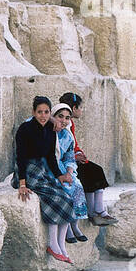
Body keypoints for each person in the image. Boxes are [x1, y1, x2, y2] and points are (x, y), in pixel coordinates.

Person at [15, 96, 77, 264]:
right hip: (28, 172)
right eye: (39, 112)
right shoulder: (25, 129)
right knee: (54, 198)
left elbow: (50, 156)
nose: (43, 115)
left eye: (46, 112)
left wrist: (60, 175)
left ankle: (61, 247)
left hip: (43, 170)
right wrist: (22, 184)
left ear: (50, 113)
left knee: (67, 198)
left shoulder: (50, 128)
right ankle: (52, 244)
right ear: (33, 112)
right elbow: (20, 157)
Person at [58, 93, 116, 225]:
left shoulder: (70, 124)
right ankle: (96, 212)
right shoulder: (62, 125)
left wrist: (79, 153)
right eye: (81, 107)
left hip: (72, 158)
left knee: (95, 170)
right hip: (65, 162)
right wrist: (75, 156)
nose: (82, 110)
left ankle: (98, 211)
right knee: (92, 173)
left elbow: (74, 144)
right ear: (74, 108)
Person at [52, 103, 90, 244]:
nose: (63, 120)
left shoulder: (67, 135)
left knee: (77, 185)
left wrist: (69, 171)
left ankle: (75, 225)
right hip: (51, 168)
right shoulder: (48, 133)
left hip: (64, 168)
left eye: (67, 118)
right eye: (60, 116)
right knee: (66, 189)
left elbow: (69, 157)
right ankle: (67, 228)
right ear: (53, 116)